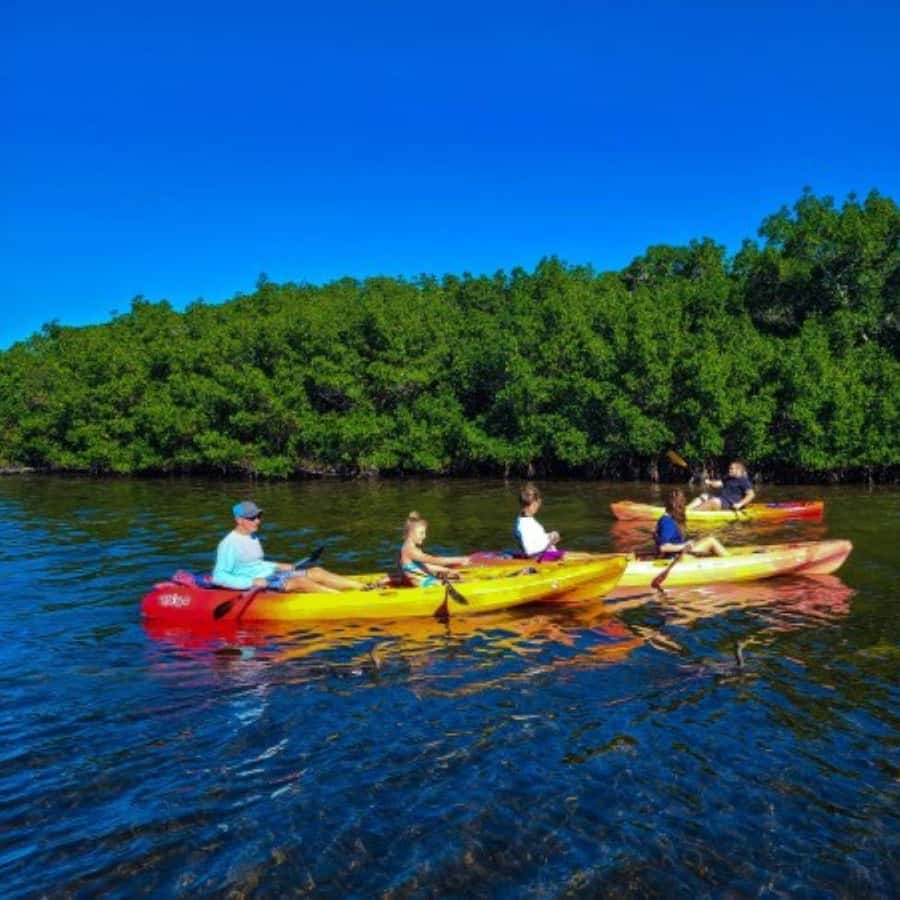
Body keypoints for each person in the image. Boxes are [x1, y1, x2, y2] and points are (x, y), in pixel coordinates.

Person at [212, 501, 367, 593]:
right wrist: (250, 583)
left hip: (272, 575)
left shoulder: (252, 536)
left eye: (258, 516)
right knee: (301, 581)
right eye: (252, 518)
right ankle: (343, 599)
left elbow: (255, 563)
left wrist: (278, 565)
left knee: (316, 571)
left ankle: (364, 588)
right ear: (239, 520)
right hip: (260, 583)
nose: (257, 521)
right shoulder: (228, 544)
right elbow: (219, 577)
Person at [398, 512, 471, 587]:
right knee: (464, 583)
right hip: (426, 585)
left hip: (428, 580)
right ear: (410, 533)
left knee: (455, 576)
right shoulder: (410, 550)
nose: (424, 536)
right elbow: (436, 560)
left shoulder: (409, 547)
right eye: (421, 533)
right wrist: (460, 559)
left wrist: (447, 570)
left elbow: (426, 566)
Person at [656, 489, 728, 558]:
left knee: (705, 542)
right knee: (711, 540)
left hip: (679, 555)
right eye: (682, 504)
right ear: (675, 505)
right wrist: (684, 546)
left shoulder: (667, 518)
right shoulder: (667, 522)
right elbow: (663, 547)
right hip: (678, 558)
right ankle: (732, 562)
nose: (683, 508)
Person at [687, 460, 756, 512]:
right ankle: (686, 510)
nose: (729, 470)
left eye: (731, 468)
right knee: (704, 495)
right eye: (729, 468)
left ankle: (693, 512)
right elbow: (718, 484)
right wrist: (709, 482)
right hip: (722, 500)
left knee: (714, 501)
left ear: (738, 470)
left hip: (731, 504)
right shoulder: (728, 478)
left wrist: (740, 504)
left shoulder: (743, 480)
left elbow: (751, 495)